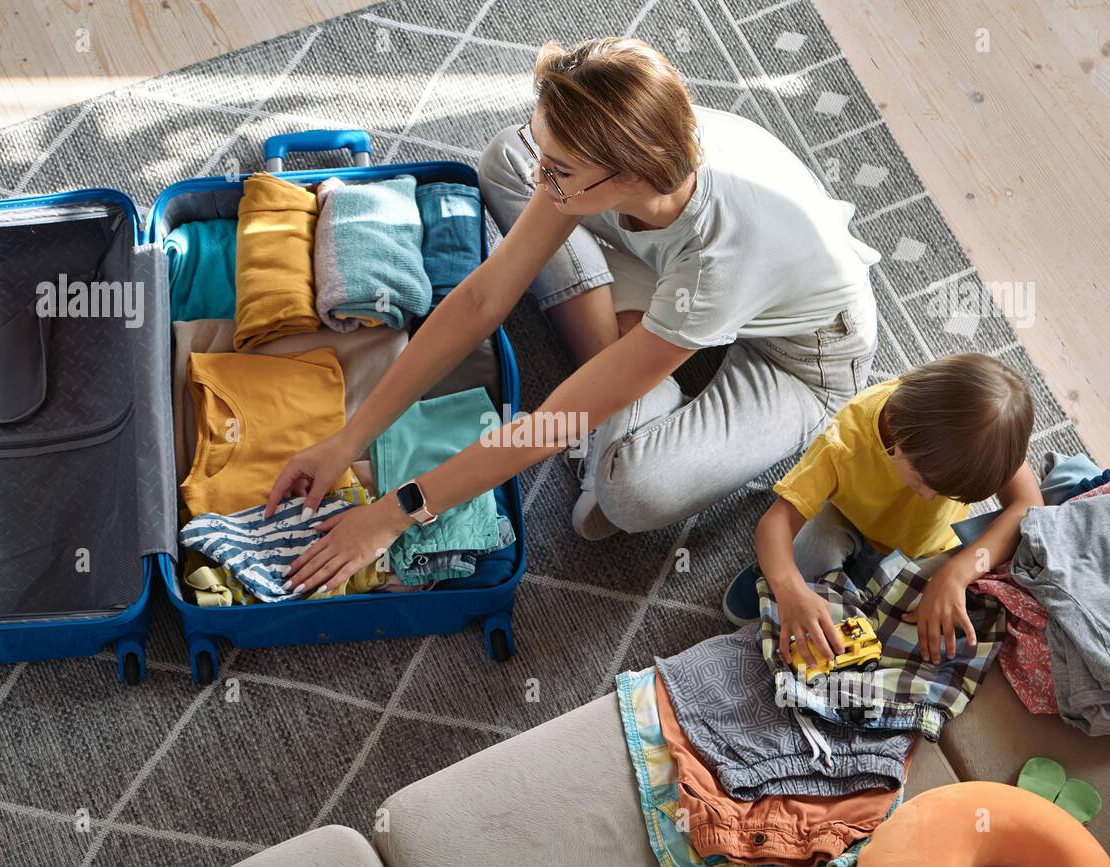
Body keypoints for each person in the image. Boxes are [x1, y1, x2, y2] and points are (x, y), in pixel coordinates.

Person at [266, 36, 881, 596]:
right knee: (506, 157)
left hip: (808, 356)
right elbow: (484, 299)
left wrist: (395, 512)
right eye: (551, 155)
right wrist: (349, 438)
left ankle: (637, 374)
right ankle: (632, 365)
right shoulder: (632, 152)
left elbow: (553, 424)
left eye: (558, 170)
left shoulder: (714, 266)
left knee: (631, 493)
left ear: (633, 172)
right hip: (672, 263)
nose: (544, 178)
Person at [723, 352, 1043, 667]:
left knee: (931, 638)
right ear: (897, 429)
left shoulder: (979, 439)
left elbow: (1028, 505)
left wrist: (957, 574)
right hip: (845, 518)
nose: (930, 497)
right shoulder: (846, 443)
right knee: (800, 558)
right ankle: (771, 578)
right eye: (922, 481)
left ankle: (847, 588)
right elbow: (776, 520)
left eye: (949, 494)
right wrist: (787, 587)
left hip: (919, 549)